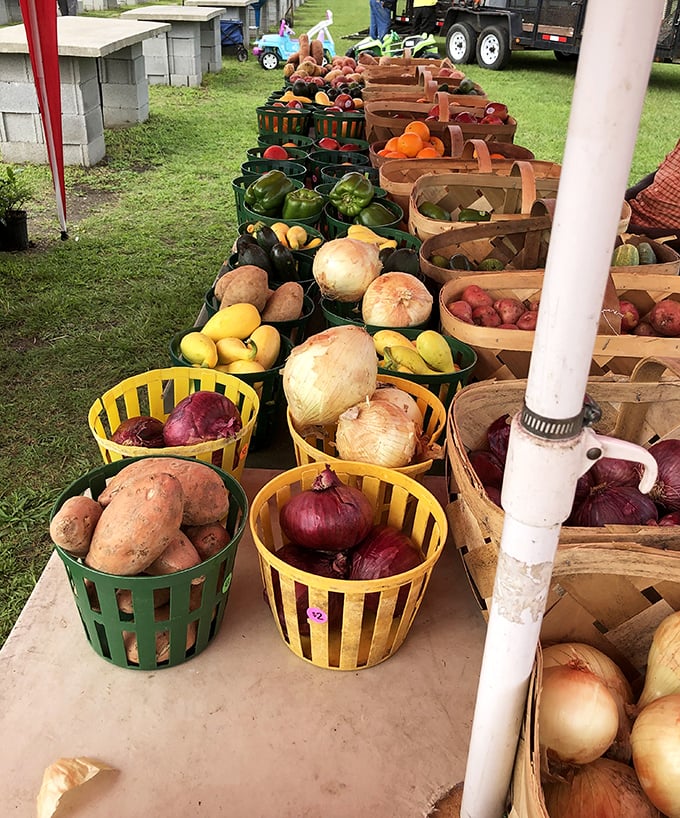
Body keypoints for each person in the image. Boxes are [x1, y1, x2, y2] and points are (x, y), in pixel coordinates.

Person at [626, 138, 680, 252]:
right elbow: (665, 170)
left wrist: (635, 231)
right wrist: (626, 195)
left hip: (662, 242)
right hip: (633, 214)